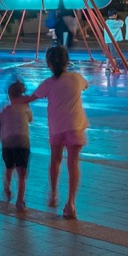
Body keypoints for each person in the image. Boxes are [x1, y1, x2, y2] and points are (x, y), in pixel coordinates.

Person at [29, 44, 87, 219]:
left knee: (55, 160)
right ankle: (71, 203)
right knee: (73, 164)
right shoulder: (76, 79)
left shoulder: (47, 84)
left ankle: (53, 194)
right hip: (75, 128)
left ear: (48, 64)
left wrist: (15, 100)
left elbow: (32, 97)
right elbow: (86, 85)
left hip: (56, 129)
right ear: (67, 62)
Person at [0, 78, 32, 210]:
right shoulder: (26, 108)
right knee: (22, 173)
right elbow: (30, 119)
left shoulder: (5, 110)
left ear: (9, 95)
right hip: (22, 142)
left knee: (8, 169)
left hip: (7, 143)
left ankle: (7, 190)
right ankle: (20, 201)